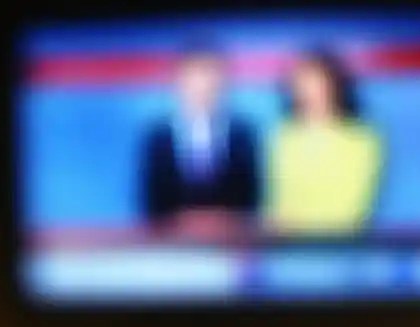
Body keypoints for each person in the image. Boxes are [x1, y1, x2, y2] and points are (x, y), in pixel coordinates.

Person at [141, 43, 259, 230]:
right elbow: (150, 206)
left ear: (223, 81)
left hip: (229, 246)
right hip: (173, 249)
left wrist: (220, 222)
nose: (203, 85)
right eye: (194, 75)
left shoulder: (242, 134)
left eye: (210, 75)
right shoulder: (158, 137)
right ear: (178, 81)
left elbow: (251, 203)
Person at [268, 49, 383, 234]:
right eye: (300, 81)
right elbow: (277, 206)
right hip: (287, 250)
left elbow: (353, 211)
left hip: (341, 248)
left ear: (334, 84)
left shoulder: (363, 138)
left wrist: (296, 224)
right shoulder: (283, 135)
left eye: (315, 80)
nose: (307, 89)